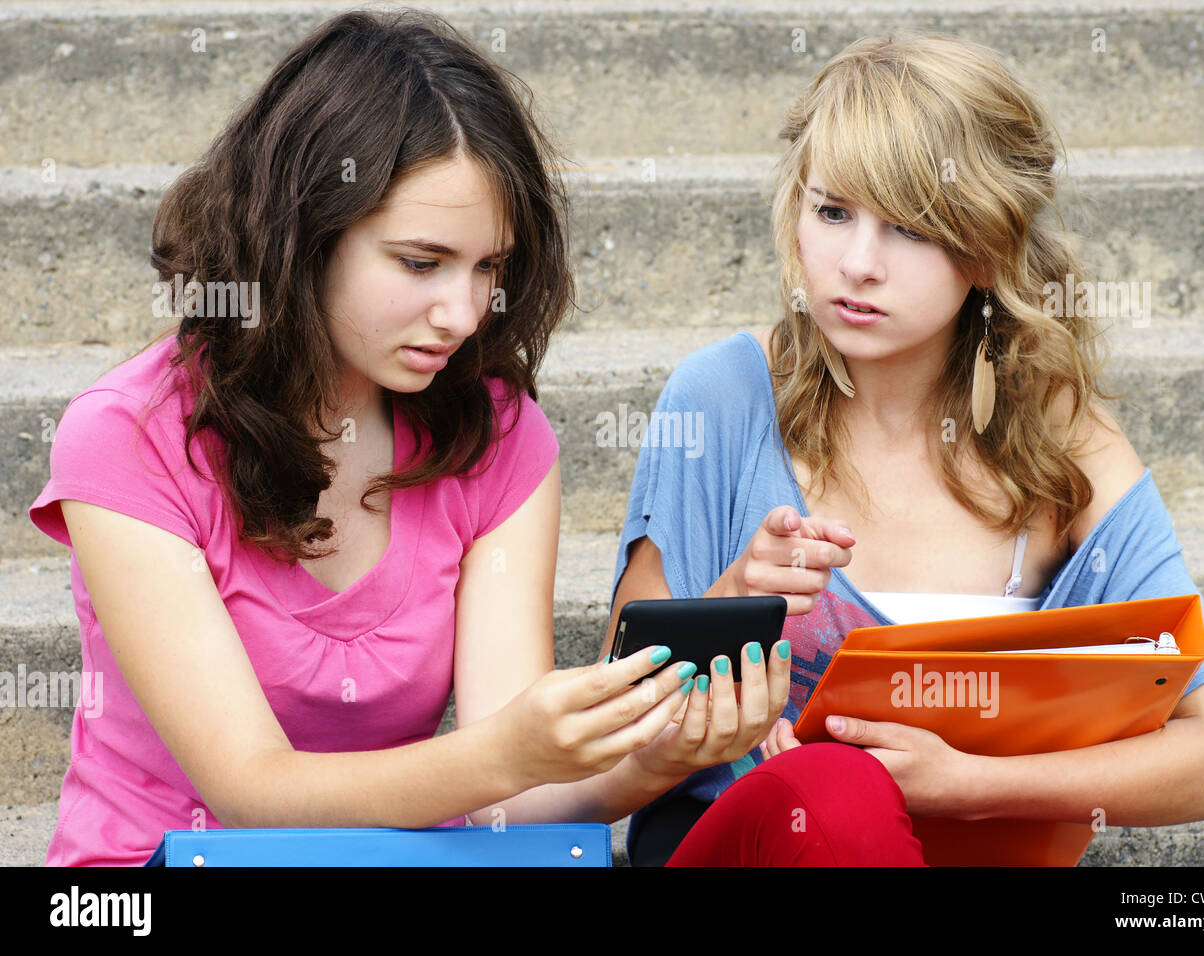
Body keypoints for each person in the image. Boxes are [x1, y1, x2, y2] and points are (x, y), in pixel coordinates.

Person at [28, 8, 789, 867]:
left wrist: (657, 756)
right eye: (422, 263)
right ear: (303, 233)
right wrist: (500, 753)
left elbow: (523, 792)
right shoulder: (129, 435)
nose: (464, 313)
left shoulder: (495, 433)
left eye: (488, 268)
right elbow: (248, 788)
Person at [603, 33, 1204, 866]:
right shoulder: (723, 397)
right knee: (834, 790)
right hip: (753, 846)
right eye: (833, 211)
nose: (856, 264)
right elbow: (603, 744)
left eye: (910, 229)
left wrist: (963, 784)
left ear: (989, 249)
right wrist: (731, 600)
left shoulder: (1058, 435)